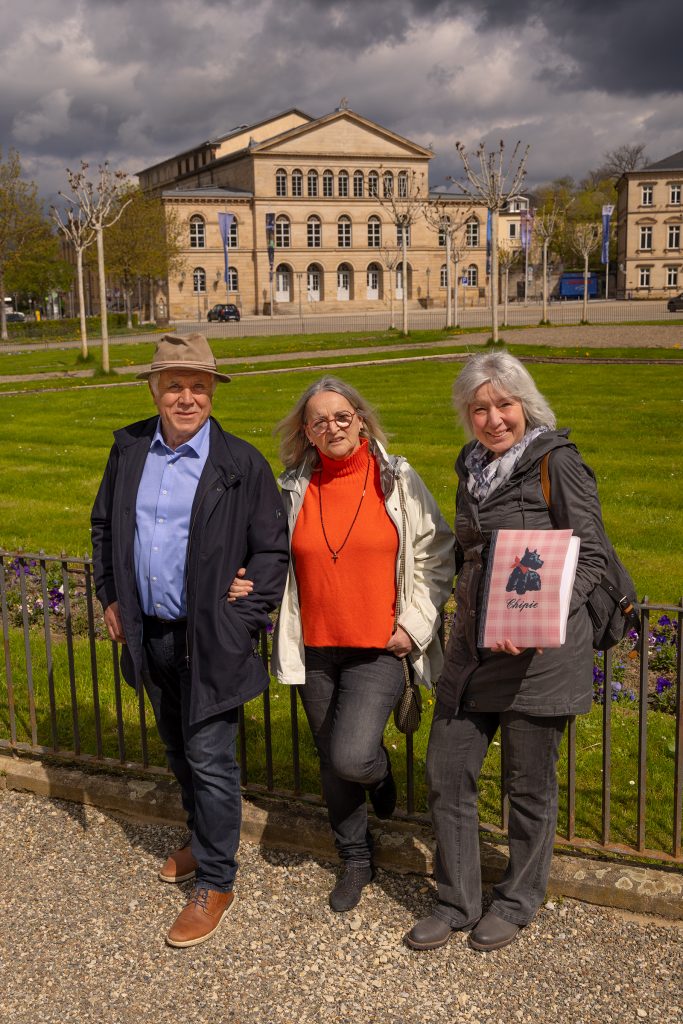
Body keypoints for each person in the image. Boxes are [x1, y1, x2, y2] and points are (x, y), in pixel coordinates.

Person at [404, 350, 609, 953]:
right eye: (479, 409)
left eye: (504, 405)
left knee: (528, 785)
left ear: (526, 404)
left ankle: (518, 900)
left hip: (539, 655)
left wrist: (539, 616)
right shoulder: (472, 465)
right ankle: (457, 899)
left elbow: (590, 558)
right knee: (448, 770)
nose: (493, 419)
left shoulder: (555, 462)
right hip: (477, 648)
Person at [91, 332, 288, 948]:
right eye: (174, 385)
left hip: (209, 640)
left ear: (212, 393)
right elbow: (103, 526)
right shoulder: (128, 450)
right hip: (150, 634)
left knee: (209, 758)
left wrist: (245, 609)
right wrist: (110, 595)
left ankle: (217, 880)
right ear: (154, 389)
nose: (186, 397)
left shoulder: (240, 464)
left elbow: (272, 549)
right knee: (177, 750)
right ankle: (201, 840)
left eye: (197, 387)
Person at [230, 375, 454, 912]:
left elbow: (437, 551)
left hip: (379, 646)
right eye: (319, 420)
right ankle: (355, 857)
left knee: (352, 755)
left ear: (360, 420)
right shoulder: (292, 488)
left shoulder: (396, 479)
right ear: (306, 432)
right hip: (316, 648)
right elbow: (264, 551)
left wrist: (415, 625)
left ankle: (377, 774)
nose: (332, 427)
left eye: (341, 416)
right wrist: (243, 578)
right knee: (332, 761)